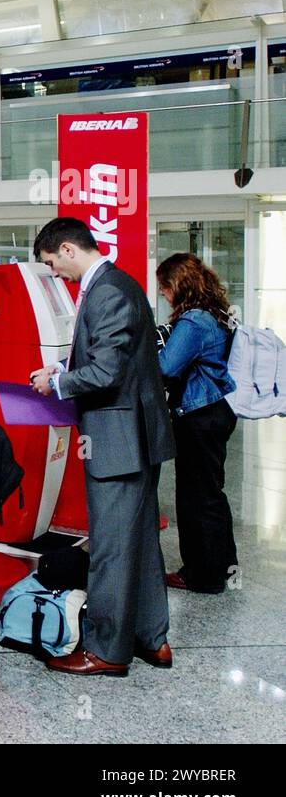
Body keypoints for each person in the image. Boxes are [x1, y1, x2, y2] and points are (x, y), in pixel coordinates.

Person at [30, 218, 176, 676]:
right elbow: (110, 357)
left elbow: (107, 372)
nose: (55, 274)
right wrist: (66, 363)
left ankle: (106, 651)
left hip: (117, 440)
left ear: (70, 249)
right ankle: (152, 639)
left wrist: (57, 382)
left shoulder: (108, 290)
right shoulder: (117, 284)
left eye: (53, 264)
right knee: (142, 545)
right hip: (134, 435)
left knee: (111, 547)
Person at [155, 253, 238, 593]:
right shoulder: (215, 314)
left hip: (199, 417)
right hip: (215, 411)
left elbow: (167, 367)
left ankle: (201, 576)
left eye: (164, 287)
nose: (162, 294)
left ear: (179, 285)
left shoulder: (193, 321)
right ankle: (221, 570)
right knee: (211, 496)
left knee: (195, 500)